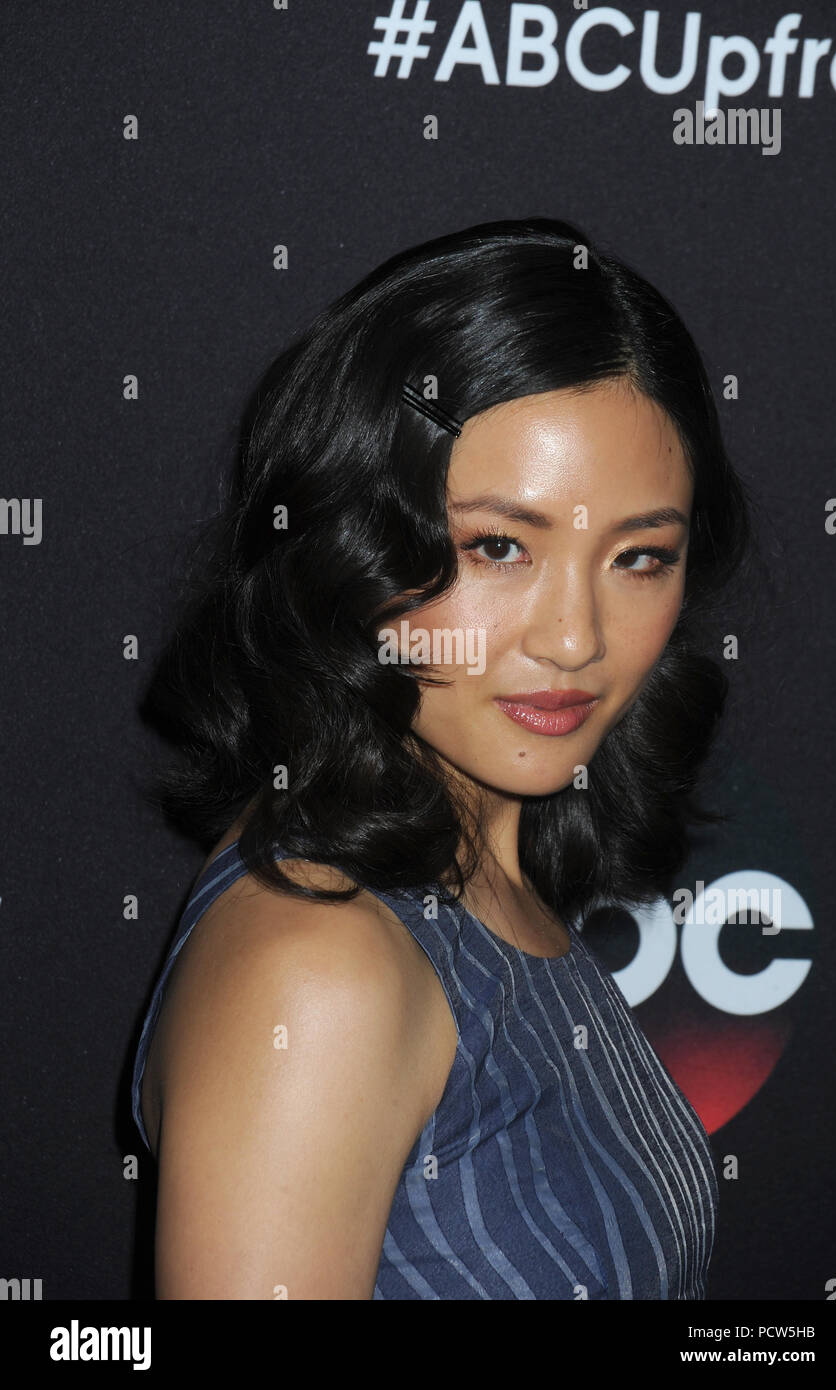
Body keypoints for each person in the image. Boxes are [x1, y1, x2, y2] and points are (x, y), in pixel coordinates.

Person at [130, 217, 752, 1299]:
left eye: (639, 556)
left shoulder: (488, 873)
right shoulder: (319, 970)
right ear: (354, 545)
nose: (574, 638)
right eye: (497, 547)